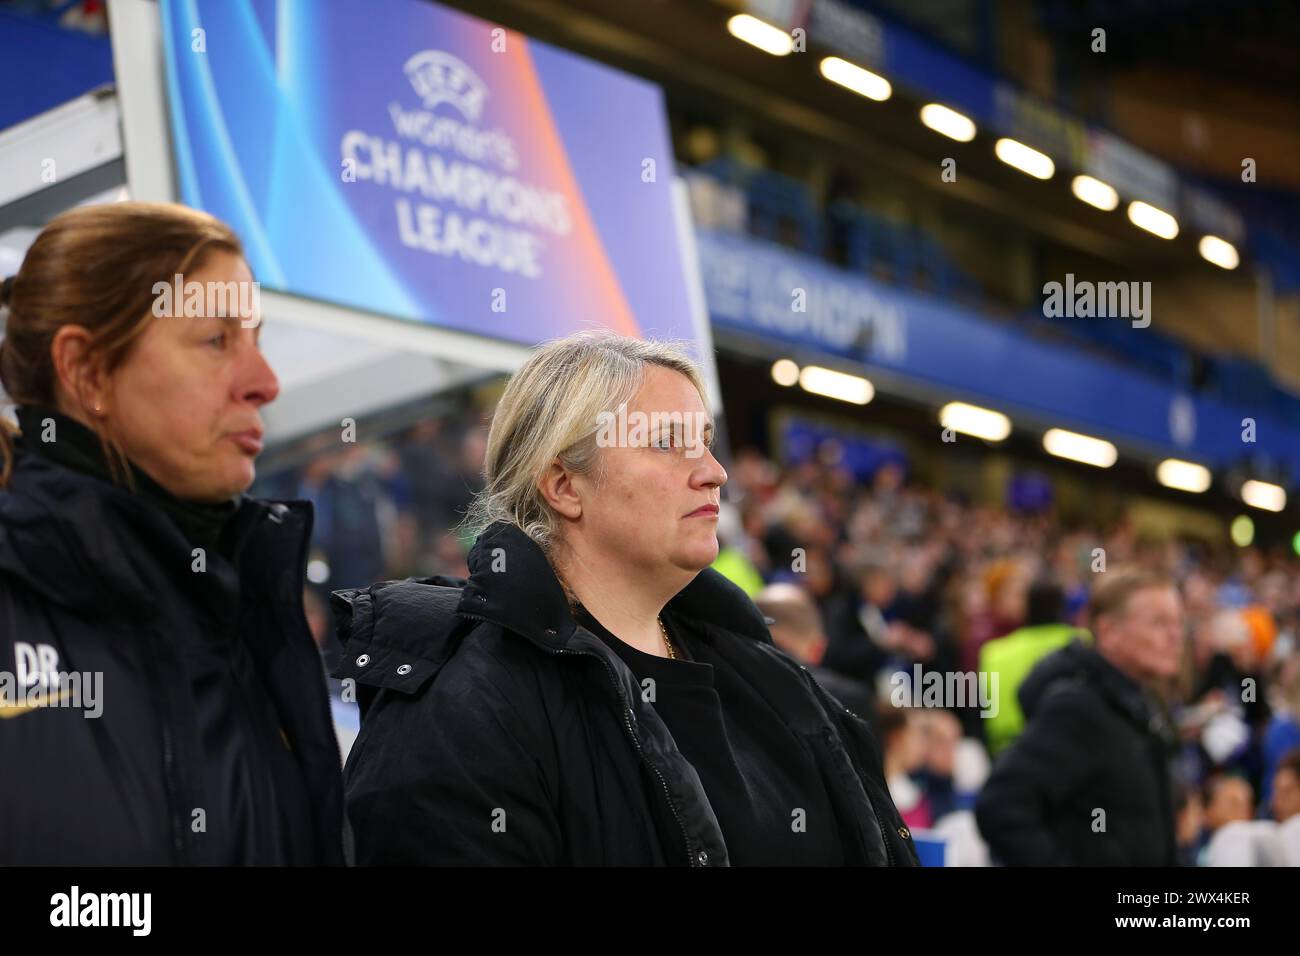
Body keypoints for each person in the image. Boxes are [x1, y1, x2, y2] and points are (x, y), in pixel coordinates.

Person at [334, 332, 918, 866]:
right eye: (667, 442)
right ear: (564, 486)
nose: (715, 472)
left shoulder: (770, 675)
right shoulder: (464, 706)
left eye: (705, 443)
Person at [0, 202, 343, 865]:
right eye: (216, 341)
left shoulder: (238, 601)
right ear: (88, 371)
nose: (265, 383)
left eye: (257, 339)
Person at [974, 568, 1182, 865]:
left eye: (1178, 622)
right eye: (1159, 623)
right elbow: (1000, 806)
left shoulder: (1141, 703)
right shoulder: (1078, 708)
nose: (1175, 636)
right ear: (1109, 632)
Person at [979, 577, 1087, 756]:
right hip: (1071, 749)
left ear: (1027, 607)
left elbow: (981, 711)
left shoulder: (993, 653)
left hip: (1006, 751)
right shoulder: (1085, 643)